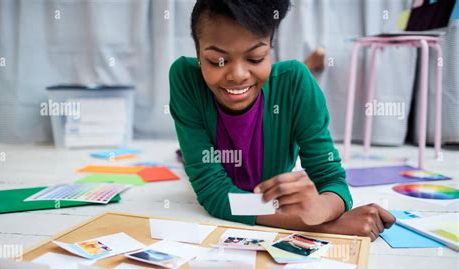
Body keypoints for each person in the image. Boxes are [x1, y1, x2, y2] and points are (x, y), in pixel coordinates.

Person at [169, 0, 395, 241]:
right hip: (206, 158)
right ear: (198, 55)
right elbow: (216, 195)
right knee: (189, 157)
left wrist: (318, 209)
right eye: (217, 61)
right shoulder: (185, 77)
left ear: (270, 49)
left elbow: (332, 180)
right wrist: (322, 225)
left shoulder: (297, 81)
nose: (237, 75)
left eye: (255, 58)